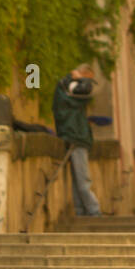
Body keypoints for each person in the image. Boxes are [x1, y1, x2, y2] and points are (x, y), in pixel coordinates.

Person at [52, 64, 102, 217]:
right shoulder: (72, 85)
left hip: (71, 135)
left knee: (77, 180)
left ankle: (81, 211)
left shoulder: (65, 87)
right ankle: (94, 211)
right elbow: (85, 90)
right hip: (75, 137)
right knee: (83, 178)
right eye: (89, 78)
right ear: (84, 73)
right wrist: (81, 79)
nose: (89, 83)